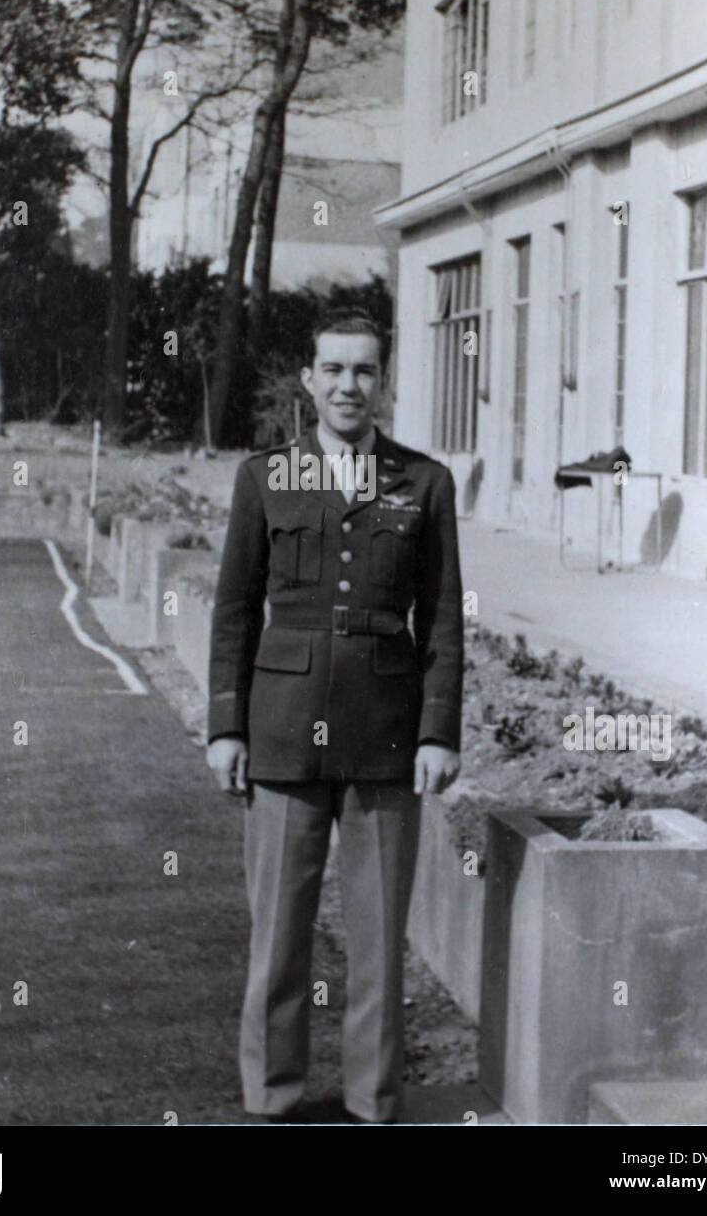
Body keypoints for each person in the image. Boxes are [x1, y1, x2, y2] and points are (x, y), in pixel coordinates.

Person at [206, 312, 464, 1123]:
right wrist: (226, 726)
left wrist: (436, 732)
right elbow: (233, 611)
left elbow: (445, 619)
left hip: (386, 738)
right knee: (278, 934)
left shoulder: (424, 483)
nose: (348, 385)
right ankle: (271, 1096)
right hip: (281, 733)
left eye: (364, 371)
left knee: (379, 941)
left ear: (380, 381)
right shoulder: (264, 478)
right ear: (308, 380)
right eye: (333, 370)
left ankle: (371, 1100)